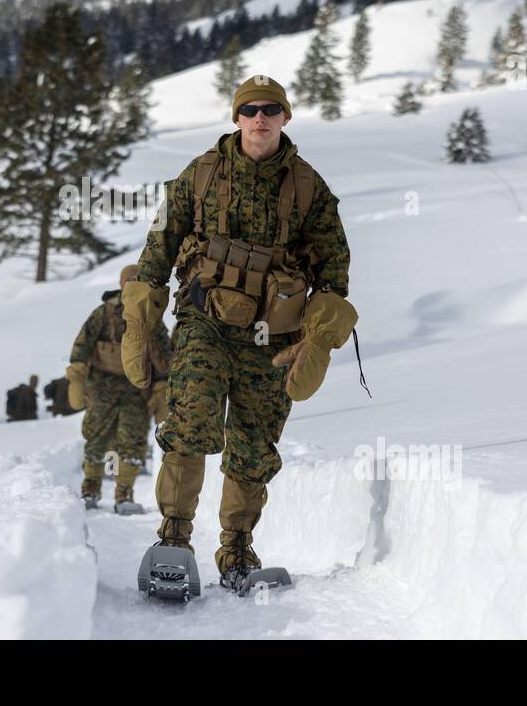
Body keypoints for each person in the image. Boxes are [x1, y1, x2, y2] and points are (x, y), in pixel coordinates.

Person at [119, 74, 357, 589]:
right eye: (250, 109)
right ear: (236, 117)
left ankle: (237, 553)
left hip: (272, 336)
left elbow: (334, 267)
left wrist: (317, 338)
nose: (260, 118)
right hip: (203, 319)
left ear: (285, 117)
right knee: (190, 422)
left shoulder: (310, 188)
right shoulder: (200, 174)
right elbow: (160, 244)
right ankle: (173, 542)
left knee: (254, 442)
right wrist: (141, 316)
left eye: (271, 109)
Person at [66, 264, 171, 511]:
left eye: (137, 280)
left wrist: (161, 387)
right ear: (122, 283)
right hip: (102, 388)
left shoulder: (151, 316)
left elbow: (164, 357)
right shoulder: (104, 313)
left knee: (132, 441)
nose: (132, 284)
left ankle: (124, 494)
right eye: (129, 280)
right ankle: (90, 489)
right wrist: (77, 374)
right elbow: (82, 344)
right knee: (97, 437)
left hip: (137, 391)